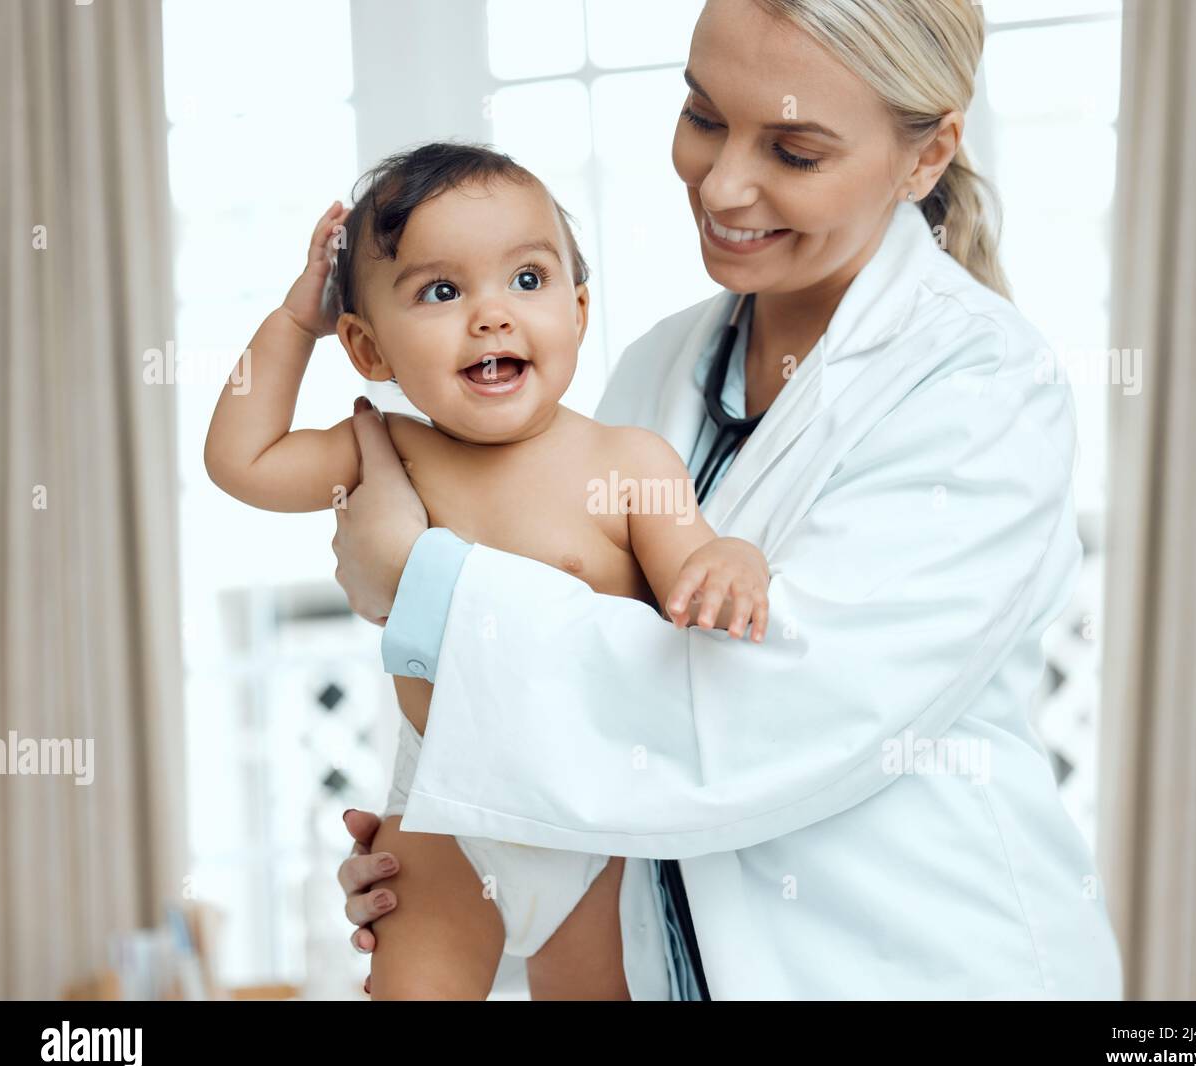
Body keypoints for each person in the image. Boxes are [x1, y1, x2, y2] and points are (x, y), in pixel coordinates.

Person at [335, 0, 1125, 1000]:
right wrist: (460, 847)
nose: (721, 183)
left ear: (925, 158)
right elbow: (585, 696)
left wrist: (418, 579)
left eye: (793, 150)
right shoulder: (655, 366)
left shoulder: (980, 388)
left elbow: (766, 720)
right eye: (704, 115)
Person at [205, 141, 770, 999]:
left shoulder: (629, 463)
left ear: (579, 309)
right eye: (441, 291)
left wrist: (733, 557)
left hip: (589, 822)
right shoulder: (383, 451)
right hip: (441, 814)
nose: (491, 315)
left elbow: (695, 574)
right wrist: (294, 323)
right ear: (366, 346)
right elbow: (241, 459)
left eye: (529, 281)